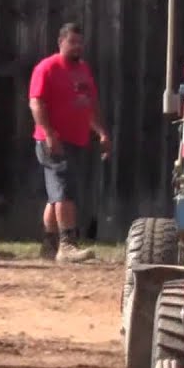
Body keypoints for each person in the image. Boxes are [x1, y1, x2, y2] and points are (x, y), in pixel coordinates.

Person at [29, 22, 111, 263]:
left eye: (80, 43)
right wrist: (50, 133)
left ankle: (49, 244)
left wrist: (101, 132)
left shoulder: (83, 69)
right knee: (64, 191)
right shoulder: (47, 68)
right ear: (61, 42)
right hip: (53, 141)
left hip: (77, 140)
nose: (77, 47)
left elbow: (89, 105)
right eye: (72, 42)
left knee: (57, 194)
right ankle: (68, 245)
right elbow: (36, 103)